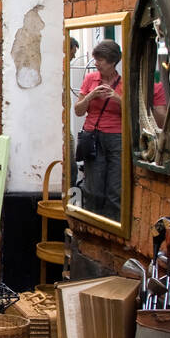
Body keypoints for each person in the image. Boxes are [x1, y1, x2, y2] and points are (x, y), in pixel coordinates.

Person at [73, 38, 123, 218]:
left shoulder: (123, 83)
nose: (97, 64)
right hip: (92, 136)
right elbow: (78, 111)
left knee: (115, 188)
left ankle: (112, 226)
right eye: (96, 59)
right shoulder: (90, 79)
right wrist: (91, 96)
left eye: (101, 60)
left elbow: (133, 115)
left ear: (112, 62)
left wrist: (117, 98)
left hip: (116, 137)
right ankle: (92, 223)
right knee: (93, 187)